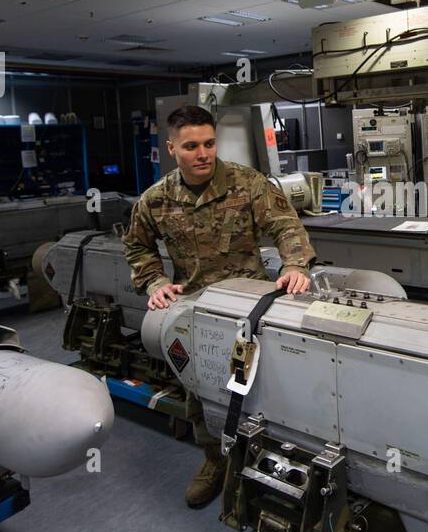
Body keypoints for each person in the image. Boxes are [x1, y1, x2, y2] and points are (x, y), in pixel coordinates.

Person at [123, 105, 316, 506]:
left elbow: (285, 225)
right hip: (197, 312)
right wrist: (155, 281)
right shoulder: (156, 200)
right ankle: (215, 461)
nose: (203, 153)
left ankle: (272, 466)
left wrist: (295, 263)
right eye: (191, 146)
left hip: (251, 311)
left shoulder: (248, 184)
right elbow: (136, 245)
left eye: (209, 143)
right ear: (172, 148)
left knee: (263, 388)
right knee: (203, 388)